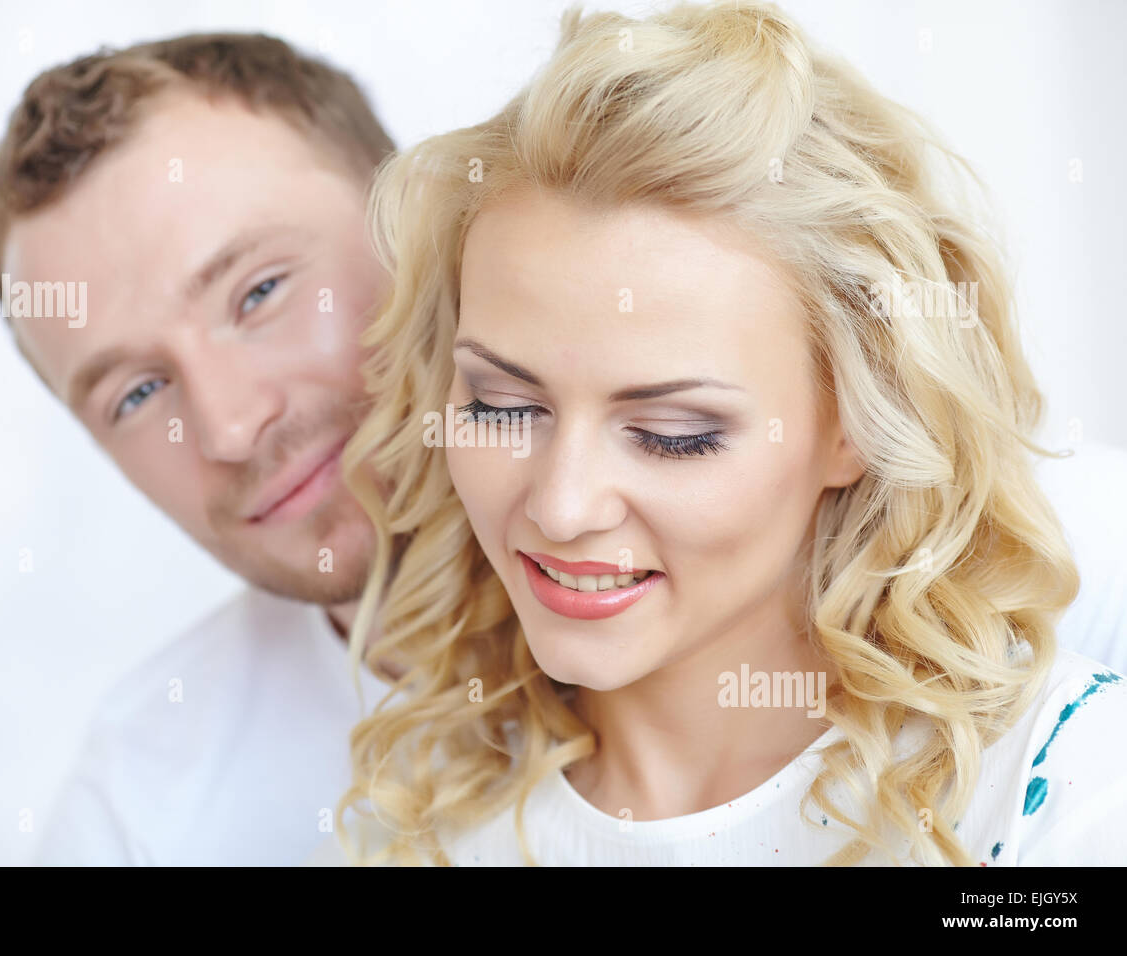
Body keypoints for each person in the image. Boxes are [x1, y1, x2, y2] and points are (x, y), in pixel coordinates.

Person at [314, 0, 1127, 865]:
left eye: (673, 432)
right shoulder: (412, 818)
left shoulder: (1062, 795)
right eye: (504, 406)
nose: (560, 506)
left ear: (856, 425)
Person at [0, 32, 401, 864]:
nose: (229, 426)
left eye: (260, 293)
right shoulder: (138, 811)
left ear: (418, 215)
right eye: (136, 394)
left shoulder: (721, 614)